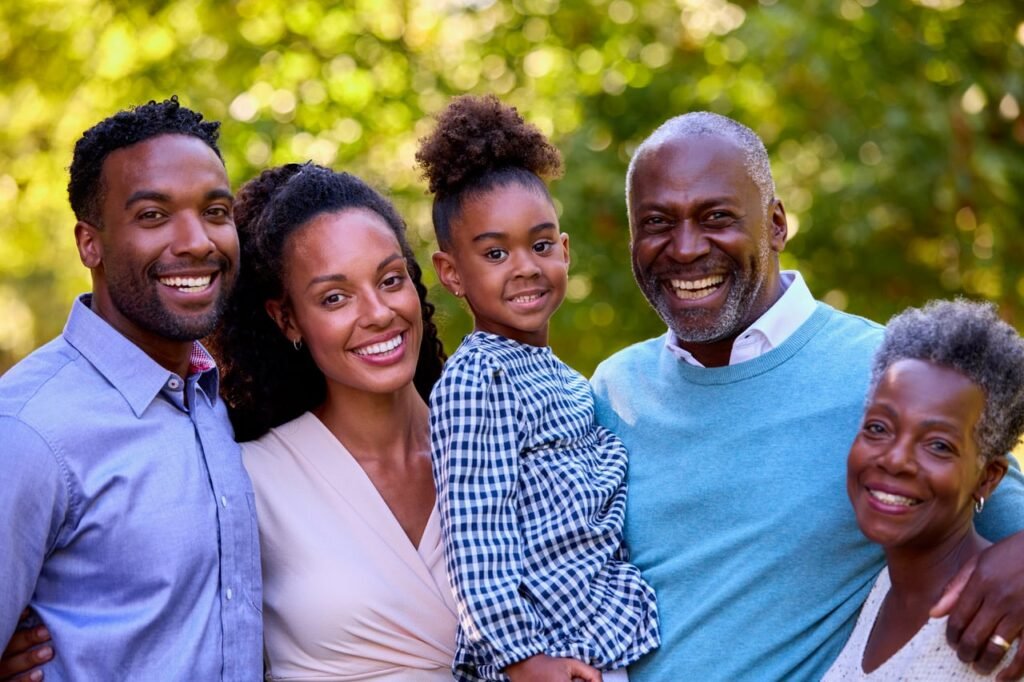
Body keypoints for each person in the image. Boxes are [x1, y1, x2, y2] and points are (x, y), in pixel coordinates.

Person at [589, 111, 1024, 680]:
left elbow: (996, 506)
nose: (686, 248)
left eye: (716, 217)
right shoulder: (612, 389)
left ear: (775, 225)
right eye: (656, 223)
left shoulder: (889, 376)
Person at [0, 98, 262, 679]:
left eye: (215, 211)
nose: (197, 241)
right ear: (89, 243)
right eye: (153, 215)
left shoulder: (224, 400)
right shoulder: (28, 431)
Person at [417, 94, 660, 682]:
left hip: (592, 641)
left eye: (541, 244)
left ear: (566, 251)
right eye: (495, 253)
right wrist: (523, 659)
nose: (525, 266)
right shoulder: (478, 379)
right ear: (452, 273)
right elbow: (477, 538)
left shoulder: (566, 379)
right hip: (537, 655)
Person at [208, 162, 458, 680]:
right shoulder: (251, 481)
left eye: (391, 280)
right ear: (287, 319)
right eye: (335, 298)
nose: (378, 312)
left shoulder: (495, 443)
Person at [822, 299, 1024, 681]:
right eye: (878, 428)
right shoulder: (882, 590)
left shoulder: (1005, 627)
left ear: (988, 477)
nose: (895, 459)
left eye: (939, 445)